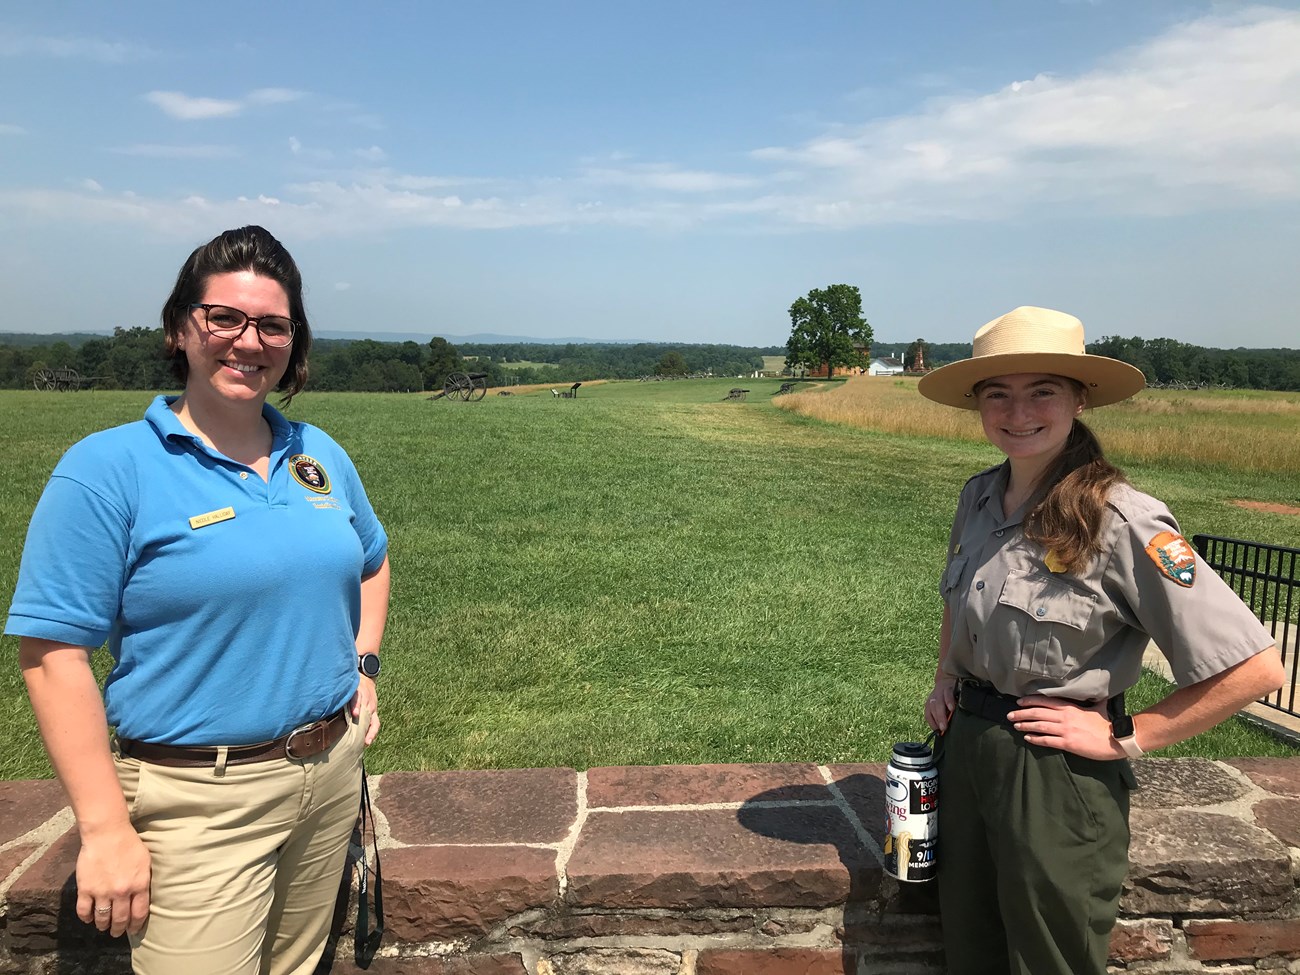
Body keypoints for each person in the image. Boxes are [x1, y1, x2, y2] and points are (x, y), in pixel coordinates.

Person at [6, 226, 391, 975]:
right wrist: (106, 827)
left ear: (293, 341)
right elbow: (52, 654)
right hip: (195, 799)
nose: (249, 341)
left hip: (329, 775)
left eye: (273, 324)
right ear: (181, 328)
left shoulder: (317, 452)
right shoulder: (107, 469)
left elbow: (372, 560)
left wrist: (364, 663)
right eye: (225, 318)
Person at [916, 306, 1284, 975]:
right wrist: (946, 675)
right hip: (966, 751)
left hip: (1054, 774)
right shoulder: (978, 498)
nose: (1017, 411)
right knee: (970, 952)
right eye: (996, 393)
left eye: (1042, 391)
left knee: (1048, 960)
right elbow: (958, 600)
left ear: (1080, 397)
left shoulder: (1118, 518)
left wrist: (1127, 736)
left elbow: (1257, 665)